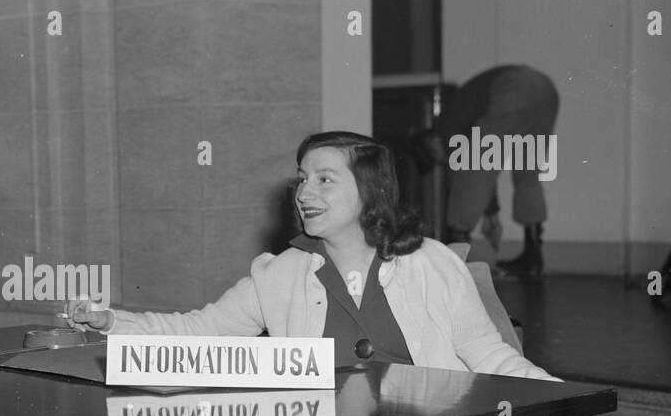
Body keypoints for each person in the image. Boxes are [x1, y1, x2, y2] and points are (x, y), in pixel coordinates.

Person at [68, 131, 557, 381]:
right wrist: (111, 322)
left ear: (370, 190)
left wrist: (563, 396)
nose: (305, 191)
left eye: (325, 178)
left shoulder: (431, 262)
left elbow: (490, 355)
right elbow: (197, 331)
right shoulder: (278, 275)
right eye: (302, 178)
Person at [439, 65, 559, 277]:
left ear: (429, 140)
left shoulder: (446, 123)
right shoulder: (462, 104)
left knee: (471, 166)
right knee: (528, 173)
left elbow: (478, 168)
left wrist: (490, 212)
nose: (441, 161)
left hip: (512, 89)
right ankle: (533, 256)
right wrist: (490, 212)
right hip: (545, 90)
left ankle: (455, 257)